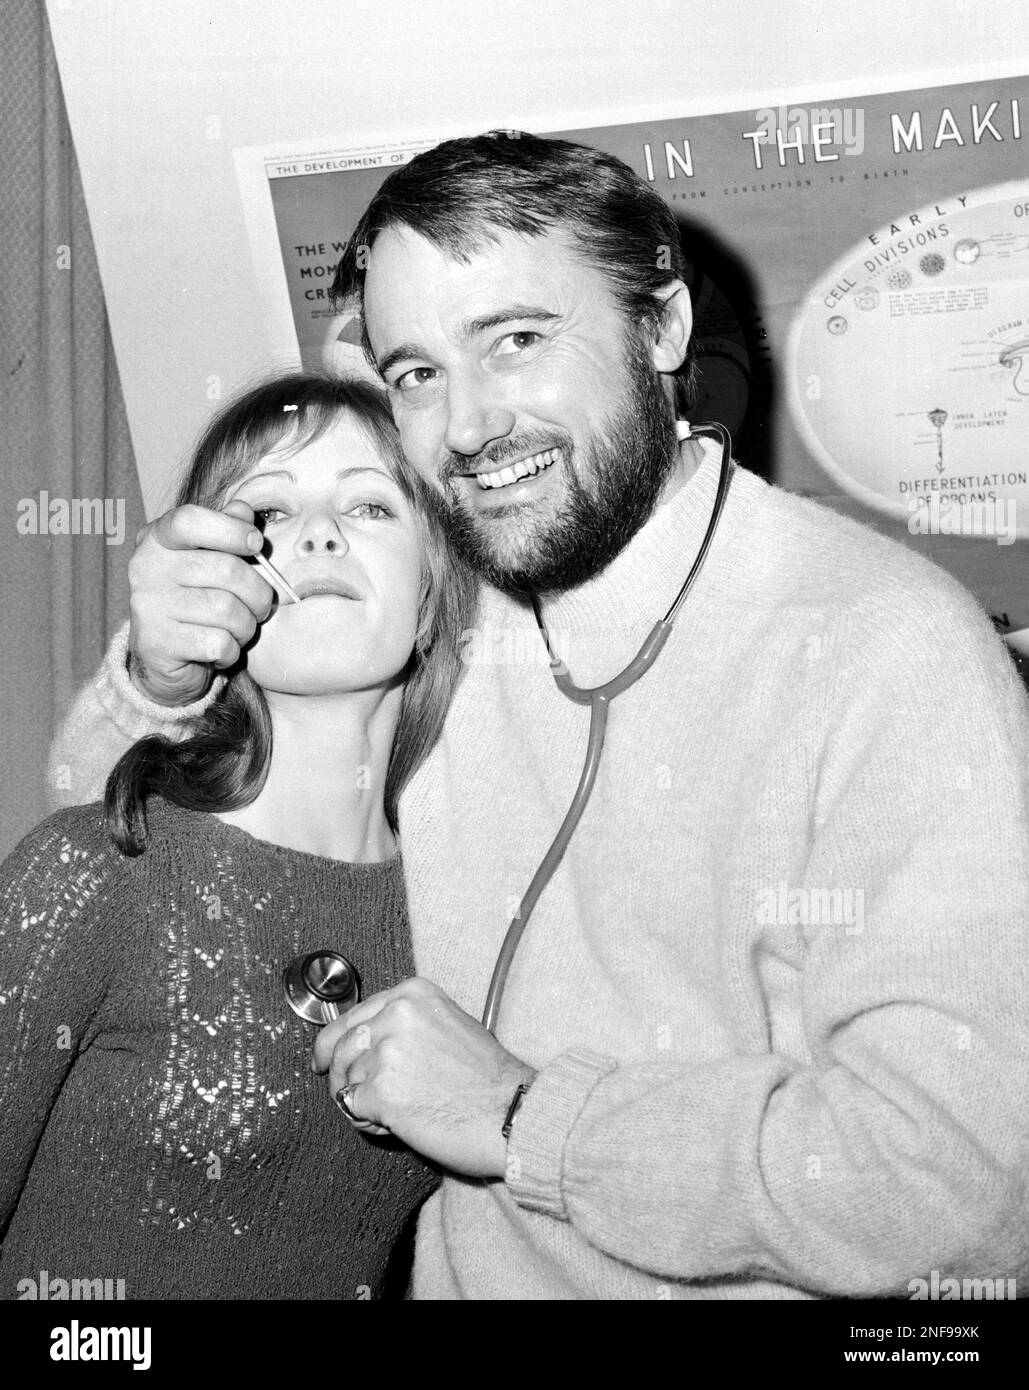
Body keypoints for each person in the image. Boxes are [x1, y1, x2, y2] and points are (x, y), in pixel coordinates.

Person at [50, 132, 1029, 1300]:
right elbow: (116, 830)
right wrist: (162, 678)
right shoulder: (449, 605)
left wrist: (526, 1117)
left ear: (662, 329)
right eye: (415, 373)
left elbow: (962, 1192)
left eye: (516, 340)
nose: (467, 428)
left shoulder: (892, 651)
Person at [1, 373, 476, 1300]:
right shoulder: (97, 868)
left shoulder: (467, 917)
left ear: (432, 594)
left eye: (371, 505)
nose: (318, 533)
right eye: (268, 511)